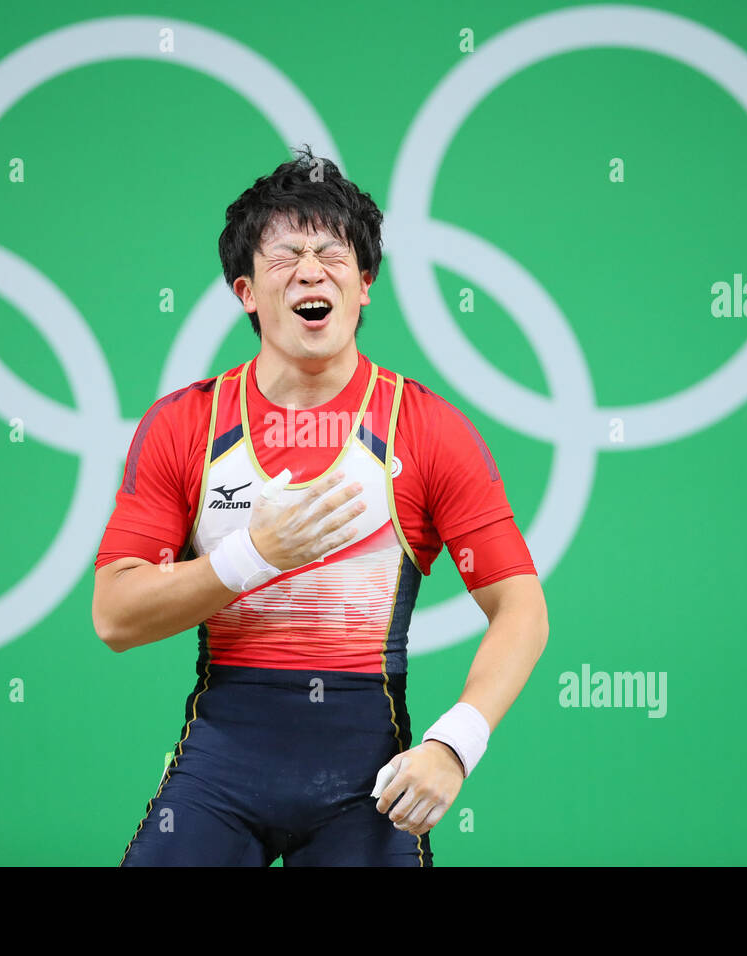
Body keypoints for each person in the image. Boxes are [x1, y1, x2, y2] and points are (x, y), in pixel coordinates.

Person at [92, 145, 549, 866]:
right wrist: (252, 557)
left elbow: (522, 608)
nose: (311, 270)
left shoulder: (427, 429)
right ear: (246, 291)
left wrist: (455, 745)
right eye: (285, 256)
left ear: (364, 285)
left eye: (332, 254)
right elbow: (114, 616)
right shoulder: (186, 425)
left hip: (367, 790)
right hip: (218, 777)